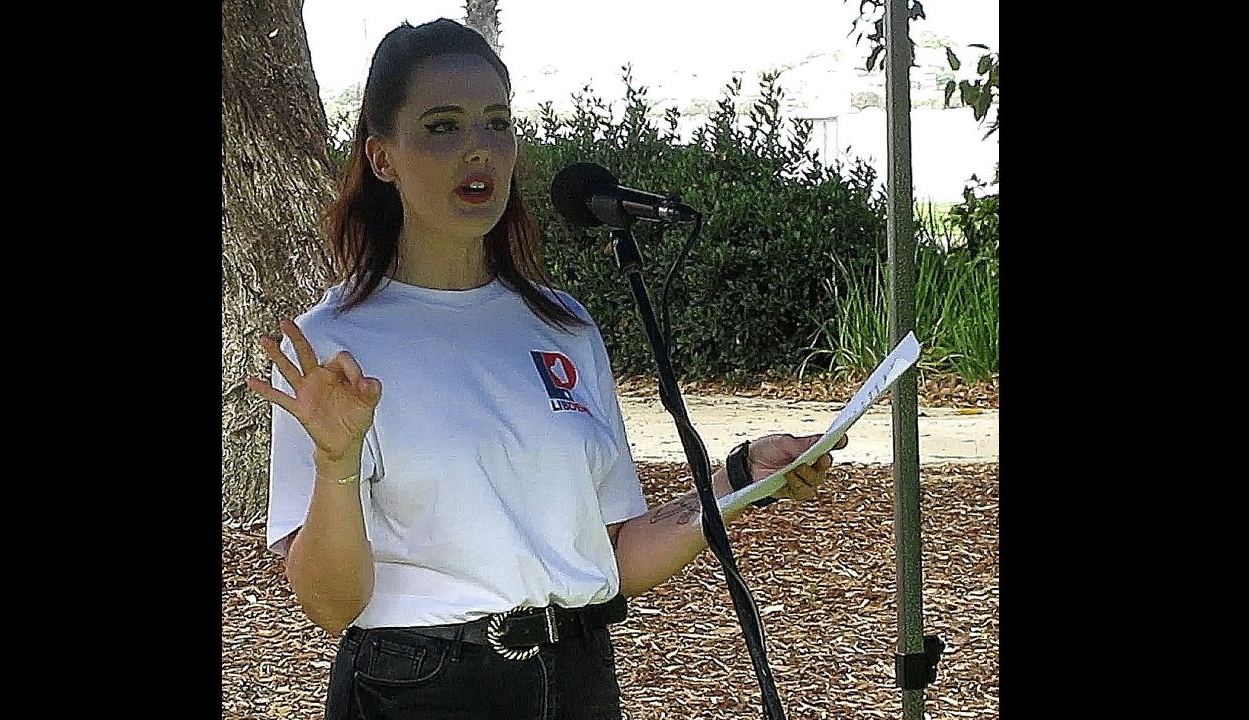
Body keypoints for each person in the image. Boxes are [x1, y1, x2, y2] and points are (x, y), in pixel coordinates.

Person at [246, 18, 848, 720]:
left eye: (497, 123)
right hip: (422, 688)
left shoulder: (562, 324)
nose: (479, 148)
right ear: (383, 158)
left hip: (581, 678)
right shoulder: (332, 351)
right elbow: (331, 602)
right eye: (443, 126)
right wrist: (336, 461)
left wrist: (742, 478)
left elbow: (616, 553)